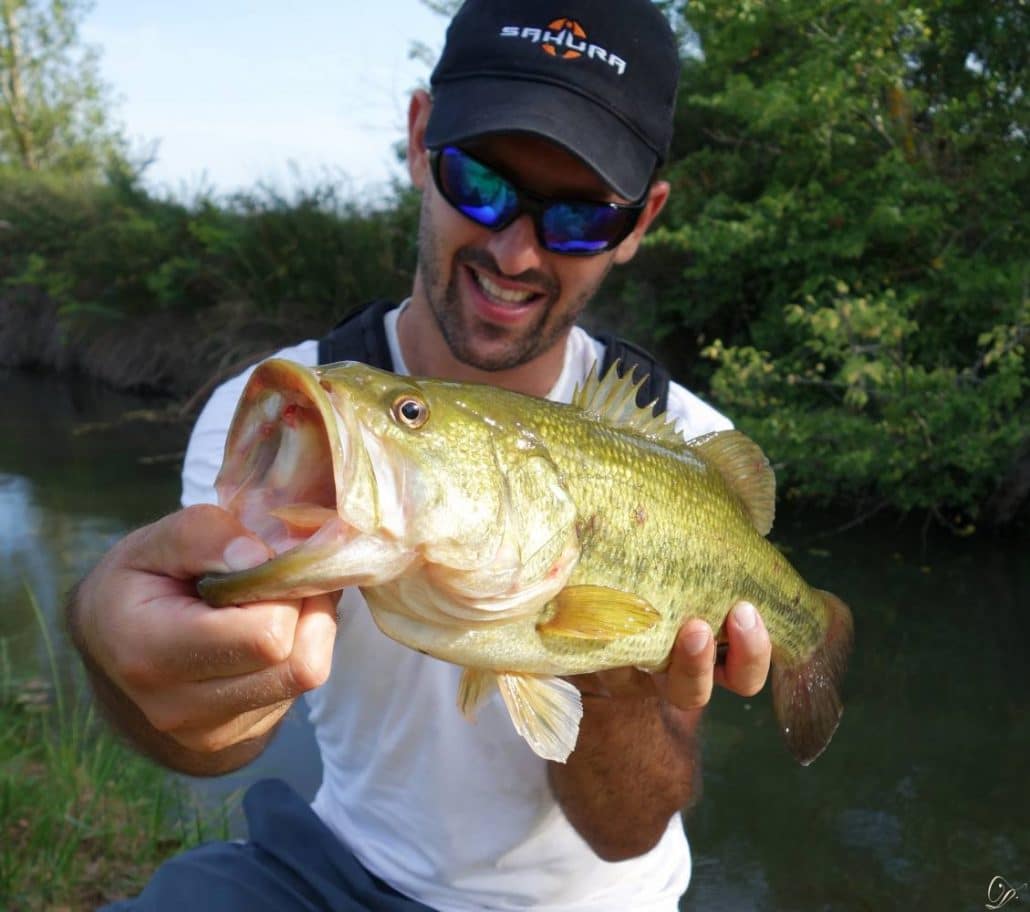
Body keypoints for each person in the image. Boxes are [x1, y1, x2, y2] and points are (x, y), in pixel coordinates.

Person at [69, 1, 773, 909]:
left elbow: (625, 832)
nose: (515, 251)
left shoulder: (683, 444)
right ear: (417, 137)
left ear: (640, 223)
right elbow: (211, 739)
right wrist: (109, 644)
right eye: (480, 181)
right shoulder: (292, 414)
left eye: (581, 218)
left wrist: (617, 677)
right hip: (348, 873)